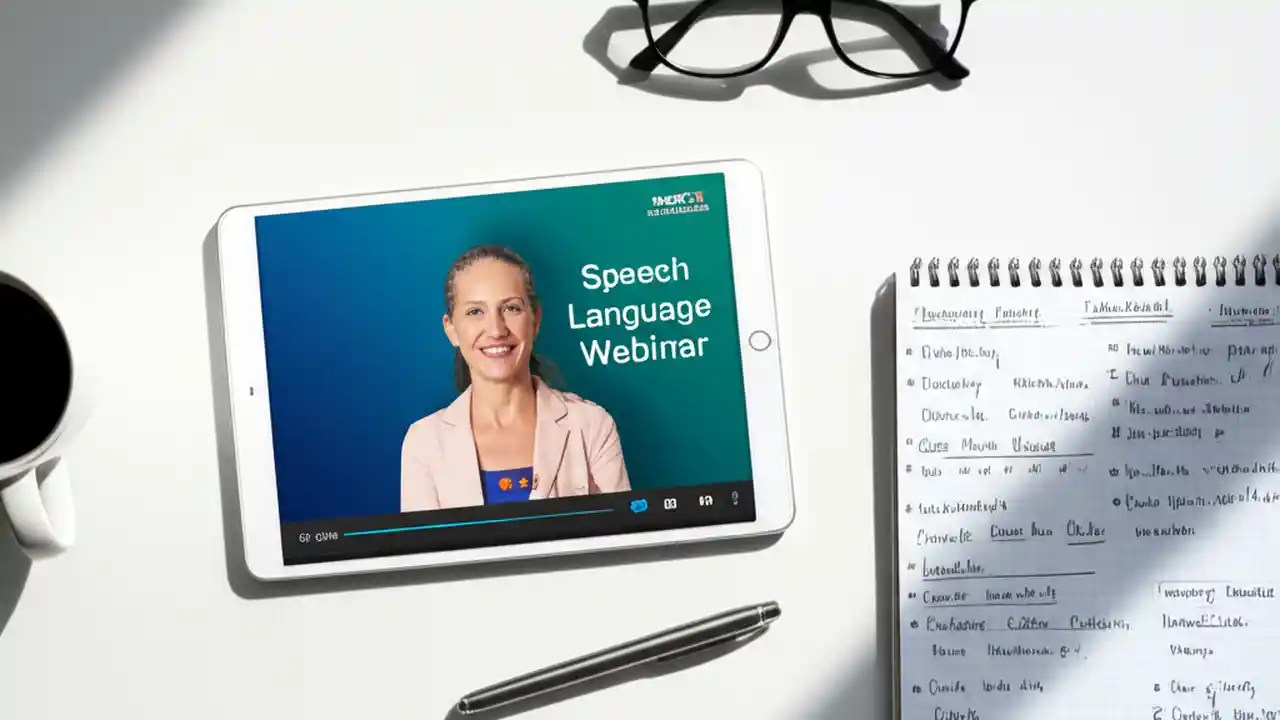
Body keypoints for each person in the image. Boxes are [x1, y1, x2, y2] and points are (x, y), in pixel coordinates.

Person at [400, 244, 631, 511]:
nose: (496, 330)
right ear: (451, 329)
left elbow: (622, 543)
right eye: (475, 312)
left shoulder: (591, 426)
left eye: (511, 308)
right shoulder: (424, 442)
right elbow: (429, 552)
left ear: (535, 320)